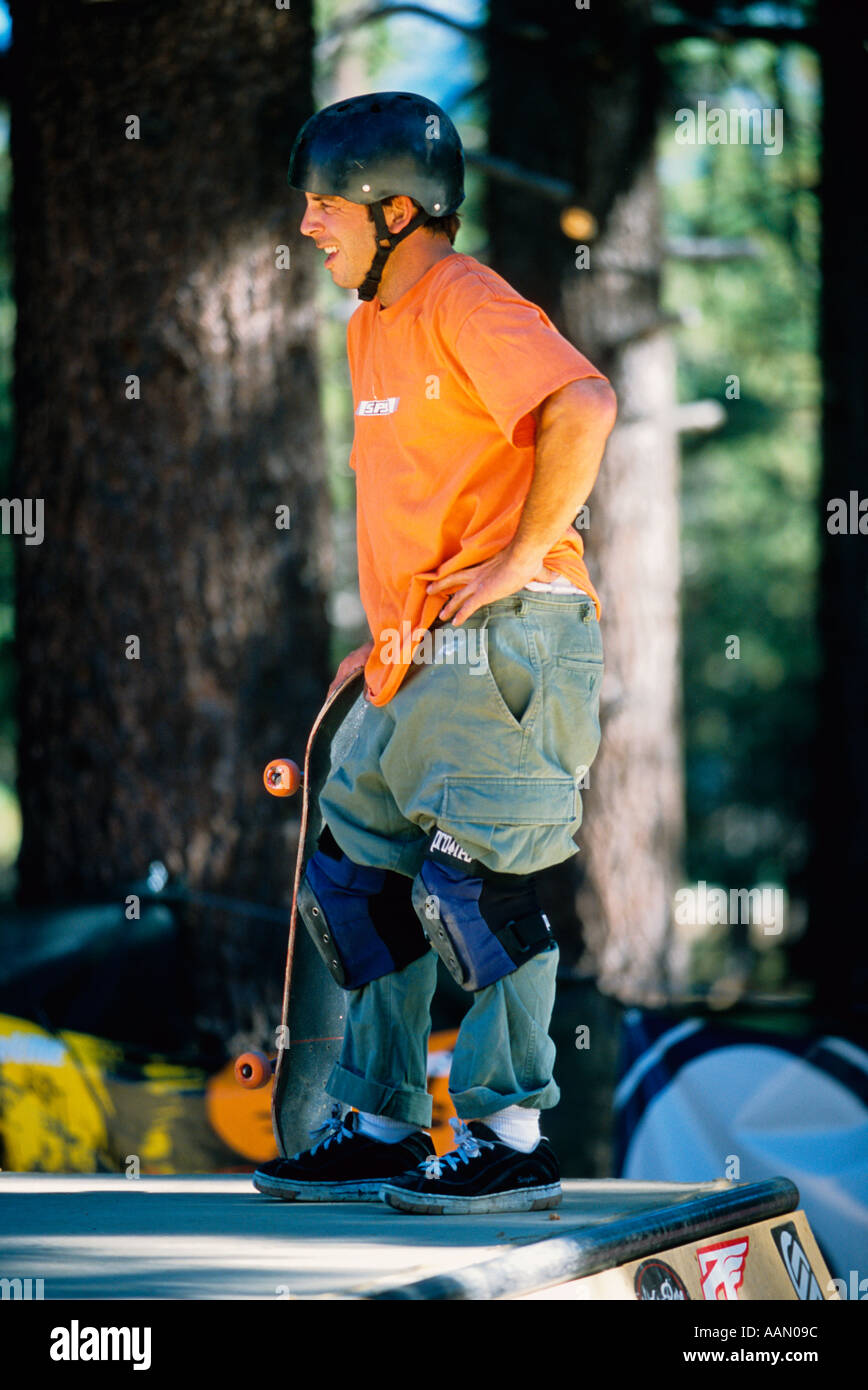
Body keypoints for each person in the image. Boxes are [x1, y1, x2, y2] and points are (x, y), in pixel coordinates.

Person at [253, 92, 616, 1213]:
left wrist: (514, 562)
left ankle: (510, 1134)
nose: (308, 226)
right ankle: (382, 1125)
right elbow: (424, 500)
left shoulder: (465, 296)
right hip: (417, 654)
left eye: (325, 206)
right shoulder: (372, 324)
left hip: (509, 638)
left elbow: (584, 403)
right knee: (358, 881)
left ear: (396, 210)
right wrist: (384, 643)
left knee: (475, 882)